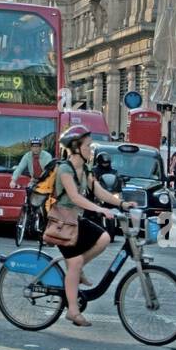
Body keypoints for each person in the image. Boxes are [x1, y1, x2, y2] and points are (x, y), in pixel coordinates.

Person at [50, 126, 133, 327]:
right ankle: (72, 310)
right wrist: (100, 210)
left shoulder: (85, 169)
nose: (91, 149)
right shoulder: (65, 169)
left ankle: (76, 270)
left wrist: (121, 204)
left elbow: (99, 191)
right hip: (61, 222)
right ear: (76, 147)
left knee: (104, 238)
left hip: (75, 220)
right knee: (75, 262)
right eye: (88, 145)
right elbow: (75, 197)